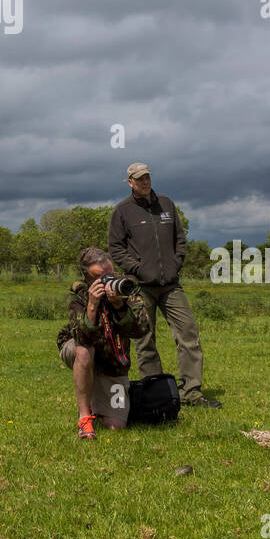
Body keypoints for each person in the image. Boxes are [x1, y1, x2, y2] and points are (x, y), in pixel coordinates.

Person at [108, 162, 221, 408]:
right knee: (145, 339)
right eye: (139, 179)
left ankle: (192, 393)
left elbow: (180, 238)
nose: (145, 182)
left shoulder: (166, 204)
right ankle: (158, 395)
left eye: (147, 177)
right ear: (130, 182)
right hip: (140, 286)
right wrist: (137, 268)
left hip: (171, 285)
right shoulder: (122, 211)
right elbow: (115, 248)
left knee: (188, 333)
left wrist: (176, 262)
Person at [56, 246, 149, 438]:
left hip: (113, 362)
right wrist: (92, 305)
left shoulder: (127, 287)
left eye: (110, 273)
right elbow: (82, 337)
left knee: (115, 426)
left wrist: (119, 305)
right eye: (101, 277)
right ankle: (84, 418)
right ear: (88, 279)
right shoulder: (79, 296)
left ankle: (98, 401)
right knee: (84, 350)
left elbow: (140, 329)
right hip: (79, 350)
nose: (109, 280)